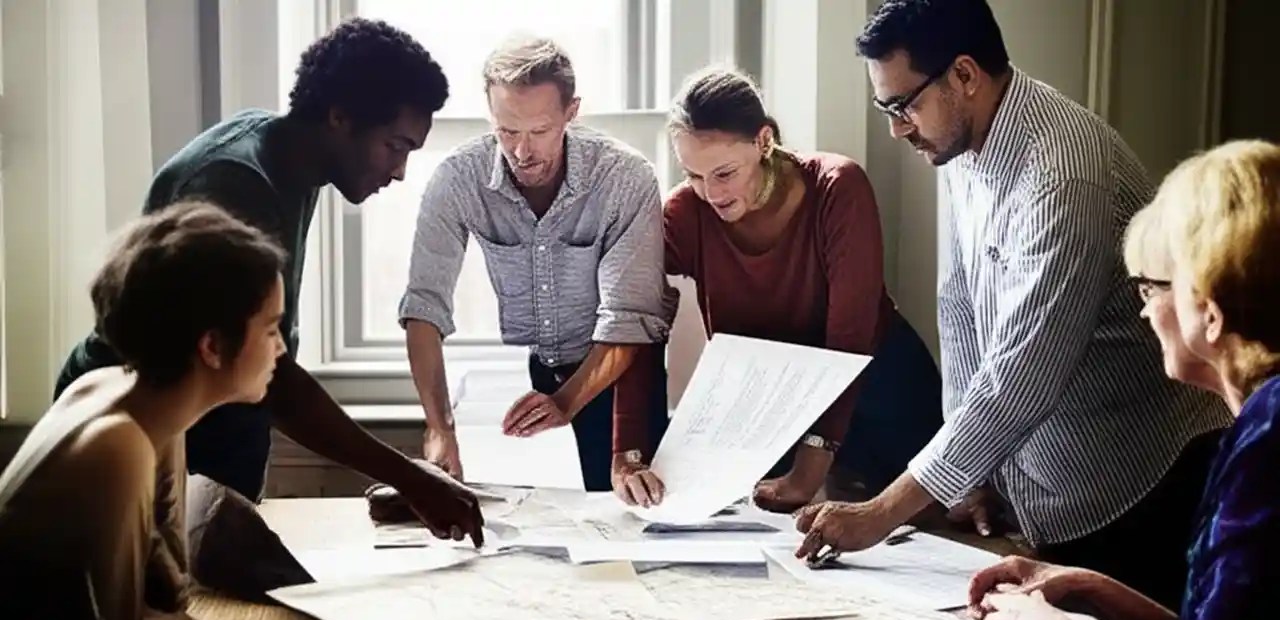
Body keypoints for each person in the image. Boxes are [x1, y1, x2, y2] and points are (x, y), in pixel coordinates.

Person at [794, 0, 1230, 610]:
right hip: (1051, 477)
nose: (897, 128)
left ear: (965, 76)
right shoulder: (958, 141)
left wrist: (883, 512)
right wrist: (970, 474)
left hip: (1141, 478)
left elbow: (1022, 373)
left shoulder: (1062, 174)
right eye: (884, 109)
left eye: (903, 106)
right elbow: (961, 307)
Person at [51, 18, 484, 548]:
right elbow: (269, 375)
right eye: (395, 146)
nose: (399, 171)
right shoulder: (233, 183)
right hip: (151, 438)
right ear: (339, 118)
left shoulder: (292, 158)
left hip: (209, 440)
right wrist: (410, 477)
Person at [972, 139, 1280, 620]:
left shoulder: (1270, 437)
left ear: (1208, 312)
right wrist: (1093, 590)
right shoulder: (1254, 422)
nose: (1143, 312)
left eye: (1150, 289)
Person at [0, 203, 327, 620]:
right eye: (269, 329)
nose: (281, 348)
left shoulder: (133, 401)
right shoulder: (118, 444)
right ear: (213, 346)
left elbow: (169, 598)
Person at [608, 67, 942, 511]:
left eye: (724, 173)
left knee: (930, 527)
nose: (711, 193)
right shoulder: (686, 214)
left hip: (875, 384)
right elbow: (640, 319)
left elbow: (849, 340)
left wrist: (810, 469)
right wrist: (627, 452)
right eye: (693, 175)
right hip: (771, 402)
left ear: (764, 141)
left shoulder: (837, 187)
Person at [399, 36, 676, 492]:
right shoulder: (457, 179)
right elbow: (424, 306)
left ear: (572, 112)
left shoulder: (626, 178)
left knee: (624, 534)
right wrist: (439, 427)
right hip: (541, 375)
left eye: (540, 131)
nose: (522, 152)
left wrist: (566, 402)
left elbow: (629, 319)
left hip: (622, 377)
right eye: (507, 131)